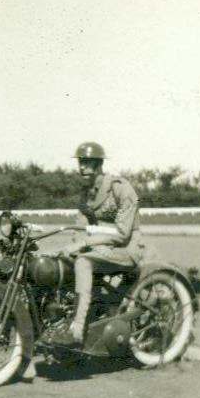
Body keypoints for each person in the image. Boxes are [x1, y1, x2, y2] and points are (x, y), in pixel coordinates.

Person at [55, 142, 145, 345]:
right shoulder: (86, 194)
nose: (82, 167)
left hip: (127, 250)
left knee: (83, 262)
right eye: (81, 162)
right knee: (62, 260)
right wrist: (73, 246)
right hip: (102, 248)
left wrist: (84, 244)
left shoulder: (120, 188)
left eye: (88, 163)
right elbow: (81, 227)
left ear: (99, 164)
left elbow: (122, 234)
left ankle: (77, 330)